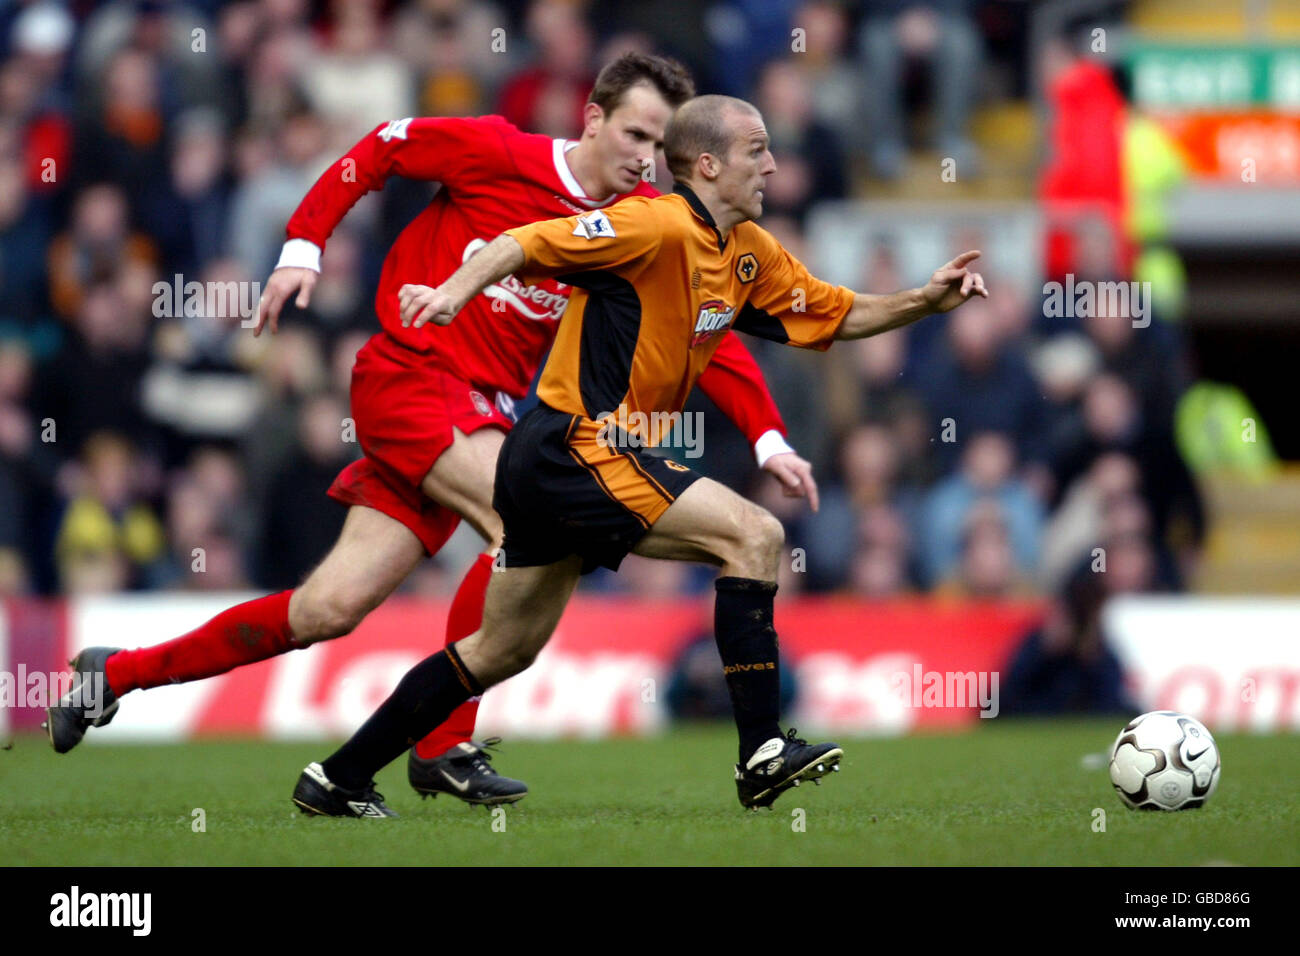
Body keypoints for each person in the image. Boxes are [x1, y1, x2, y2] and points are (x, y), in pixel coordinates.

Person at [45, 56, 817, 808]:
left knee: (326, 610)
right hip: (412, 379)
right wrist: (302, 248)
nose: (649, 161)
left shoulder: (631, 226)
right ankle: (443, 745)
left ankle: (115, 676)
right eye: (638, 136)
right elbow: (381, 148)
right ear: (593, 119)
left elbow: (703, 328)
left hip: (475, 418)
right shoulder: (497, 152)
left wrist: (769, 441)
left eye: (661, 147)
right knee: (530, 516)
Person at [292, 93, 987, 816]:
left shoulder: (749, 253)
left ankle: (337, 777)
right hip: (574, 445)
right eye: (758, 151)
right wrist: (450, 294)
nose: (773, 165)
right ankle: (761, 753)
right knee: (755, 535)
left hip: (565, 463)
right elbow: (524, 242)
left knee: (500, 649)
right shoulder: (648, 223)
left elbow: (836, 312)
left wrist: (922, 301)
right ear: (710, 165)